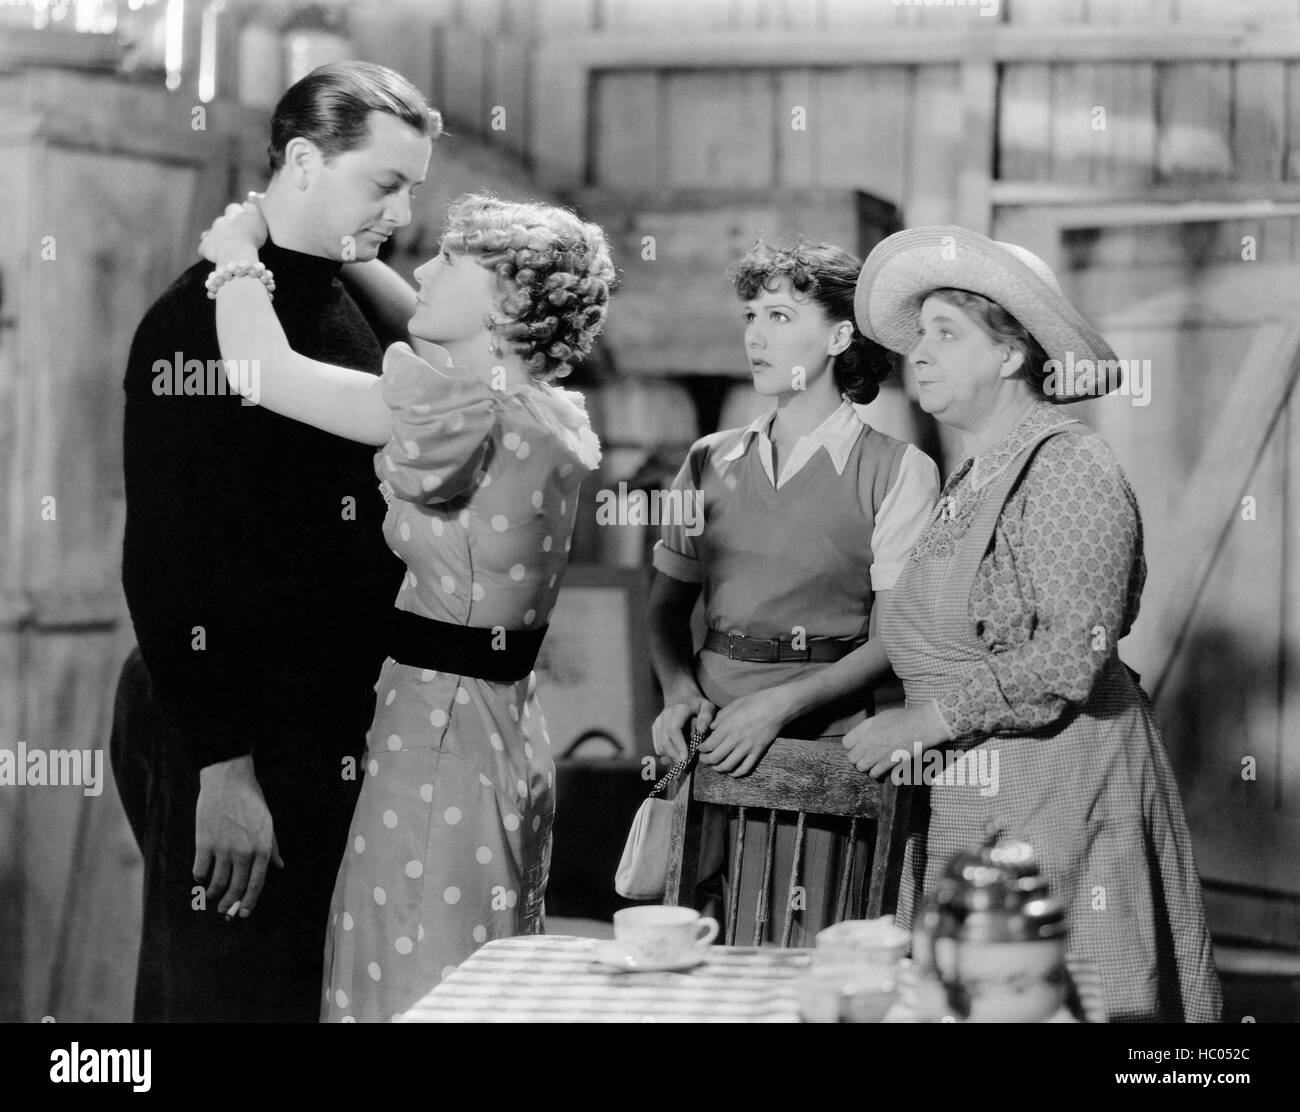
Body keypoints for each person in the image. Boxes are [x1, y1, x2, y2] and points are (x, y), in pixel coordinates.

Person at [197, 193, 612, 1022]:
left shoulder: (460, 417)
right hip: (501, 734)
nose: (422, 268)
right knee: (469, 970)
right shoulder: (542, 408)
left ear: (505, 304)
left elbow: (261, 374)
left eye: (450, 259)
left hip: (437, 742)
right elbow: (432, 315)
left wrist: (235, 255)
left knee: (409, 976)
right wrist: (347, 247)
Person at [110, 61, 439, 1022]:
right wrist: (222, 764)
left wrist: (275, 232)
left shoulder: (354, 302)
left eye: (413, 184)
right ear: (304, 159)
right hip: (224, 721)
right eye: (386, 181)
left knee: (297, 995)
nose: (406, 209)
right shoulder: (192, 324)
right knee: (215, 993)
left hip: (325, 723)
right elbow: (166, 562)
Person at [847, 224, 1221, 1021]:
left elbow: (1067, 658)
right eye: (917, 337)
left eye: (946, 333)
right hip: (975, 793)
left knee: (1067, 999)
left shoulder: (1067, 465)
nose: (920, 353)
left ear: (1013, 353)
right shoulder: (975, 477)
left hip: (1063, 791)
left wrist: (928, 721)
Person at [647, 238, 939, 944]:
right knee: (697, 947)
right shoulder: (706, 459)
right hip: (708, 744)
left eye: (779, 315)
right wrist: (679, 693)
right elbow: (664, 608)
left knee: (803, 946)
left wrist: (779, 707)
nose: (754, 335)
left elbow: (895, 641)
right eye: (750, 314)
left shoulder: (899, 471)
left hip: (826, 750)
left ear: (839, 336)